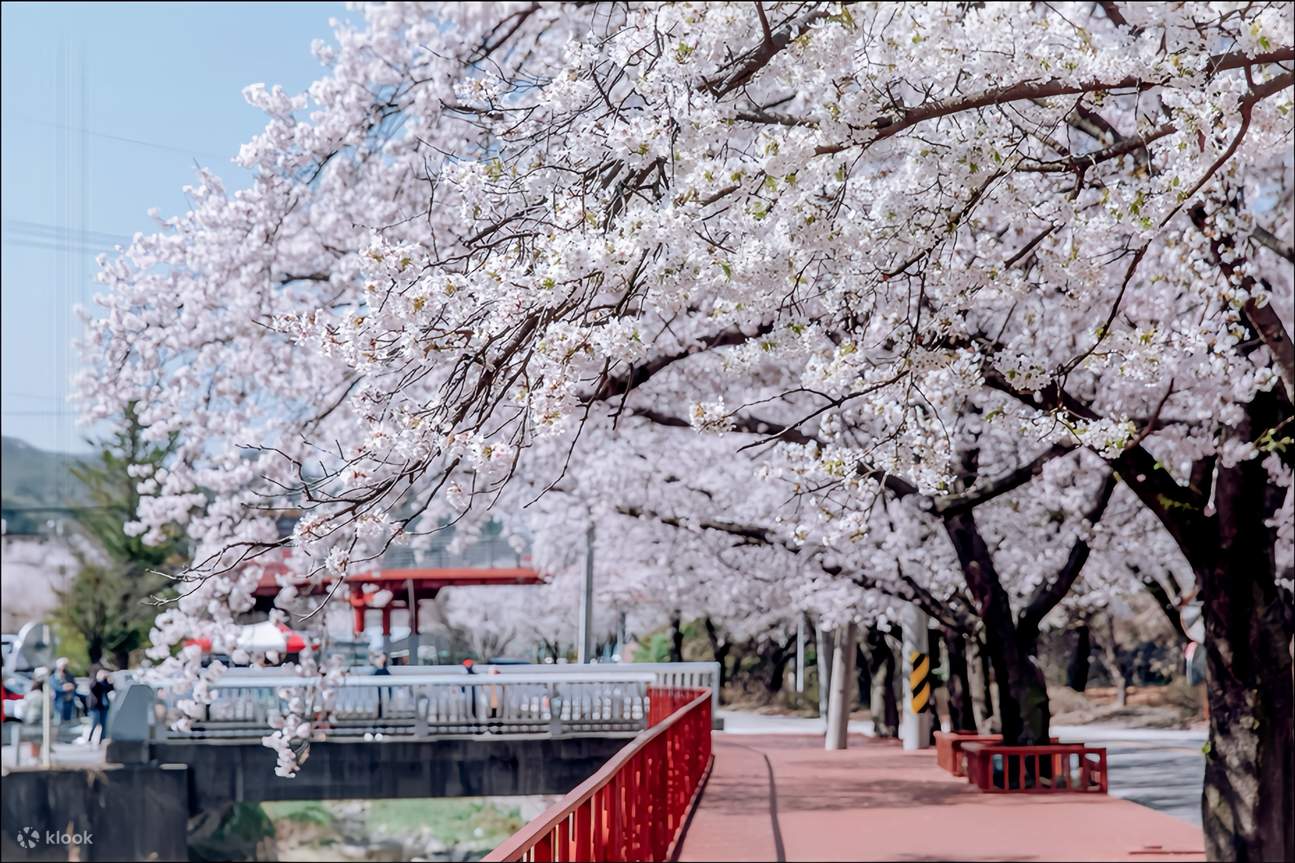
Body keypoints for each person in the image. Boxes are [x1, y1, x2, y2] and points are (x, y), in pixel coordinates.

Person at [88, 668, 114, 744]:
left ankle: (102, 740)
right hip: (95, 706)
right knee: (94, 723)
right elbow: (93, 688)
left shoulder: (105, 683)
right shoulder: (95, 682)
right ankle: (89, 739)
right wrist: (99, 679)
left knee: (104, 724)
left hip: (104, 706)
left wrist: (109, 679)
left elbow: (111, 688)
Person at [52, 658, 77, 725]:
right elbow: (58, 687)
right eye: (64, 665)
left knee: (68, 723)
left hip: (69, 703)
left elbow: (74, 685)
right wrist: (66, 687)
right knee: (58, 722)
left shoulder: (69, 675)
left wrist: (69, 686)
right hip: (59, 704)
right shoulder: (54, 676)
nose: (65, 667)